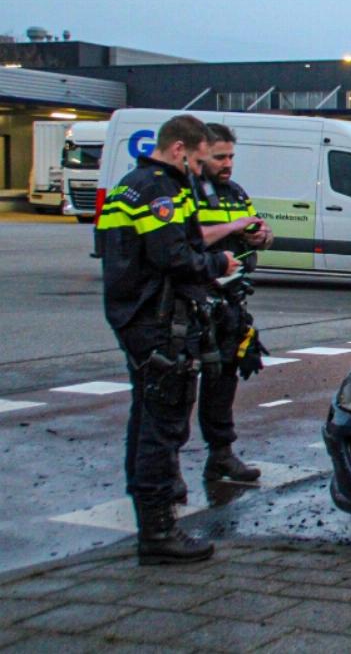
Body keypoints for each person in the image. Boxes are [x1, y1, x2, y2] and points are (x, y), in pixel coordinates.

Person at [97, 114, 239, 565]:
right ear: (180, 149)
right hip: (158, 319)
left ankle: (149, 505)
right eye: (199, 160)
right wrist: (219, 266)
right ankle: (158, 531)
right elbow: (173, 255)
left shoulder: (128, 184)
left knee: (146, 414)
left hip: (135, 314)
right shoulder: (162, 189)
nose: (200, 170)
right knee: (164, 421)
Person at [192, 122, 273, 490]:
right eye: (219, 156)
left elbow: (262, 235)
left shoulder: (234, 192)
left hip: (230, 301)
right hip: (194, 300)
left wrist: (259, 234)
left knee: (224, 380)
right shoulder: (185, 191)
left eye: (231, 157)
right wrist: (235, 227)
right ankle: (166, 473)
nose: (227, 164)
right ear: (199, 153)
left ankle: (220, 455)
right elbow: (185, 237)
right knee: (177, 390)